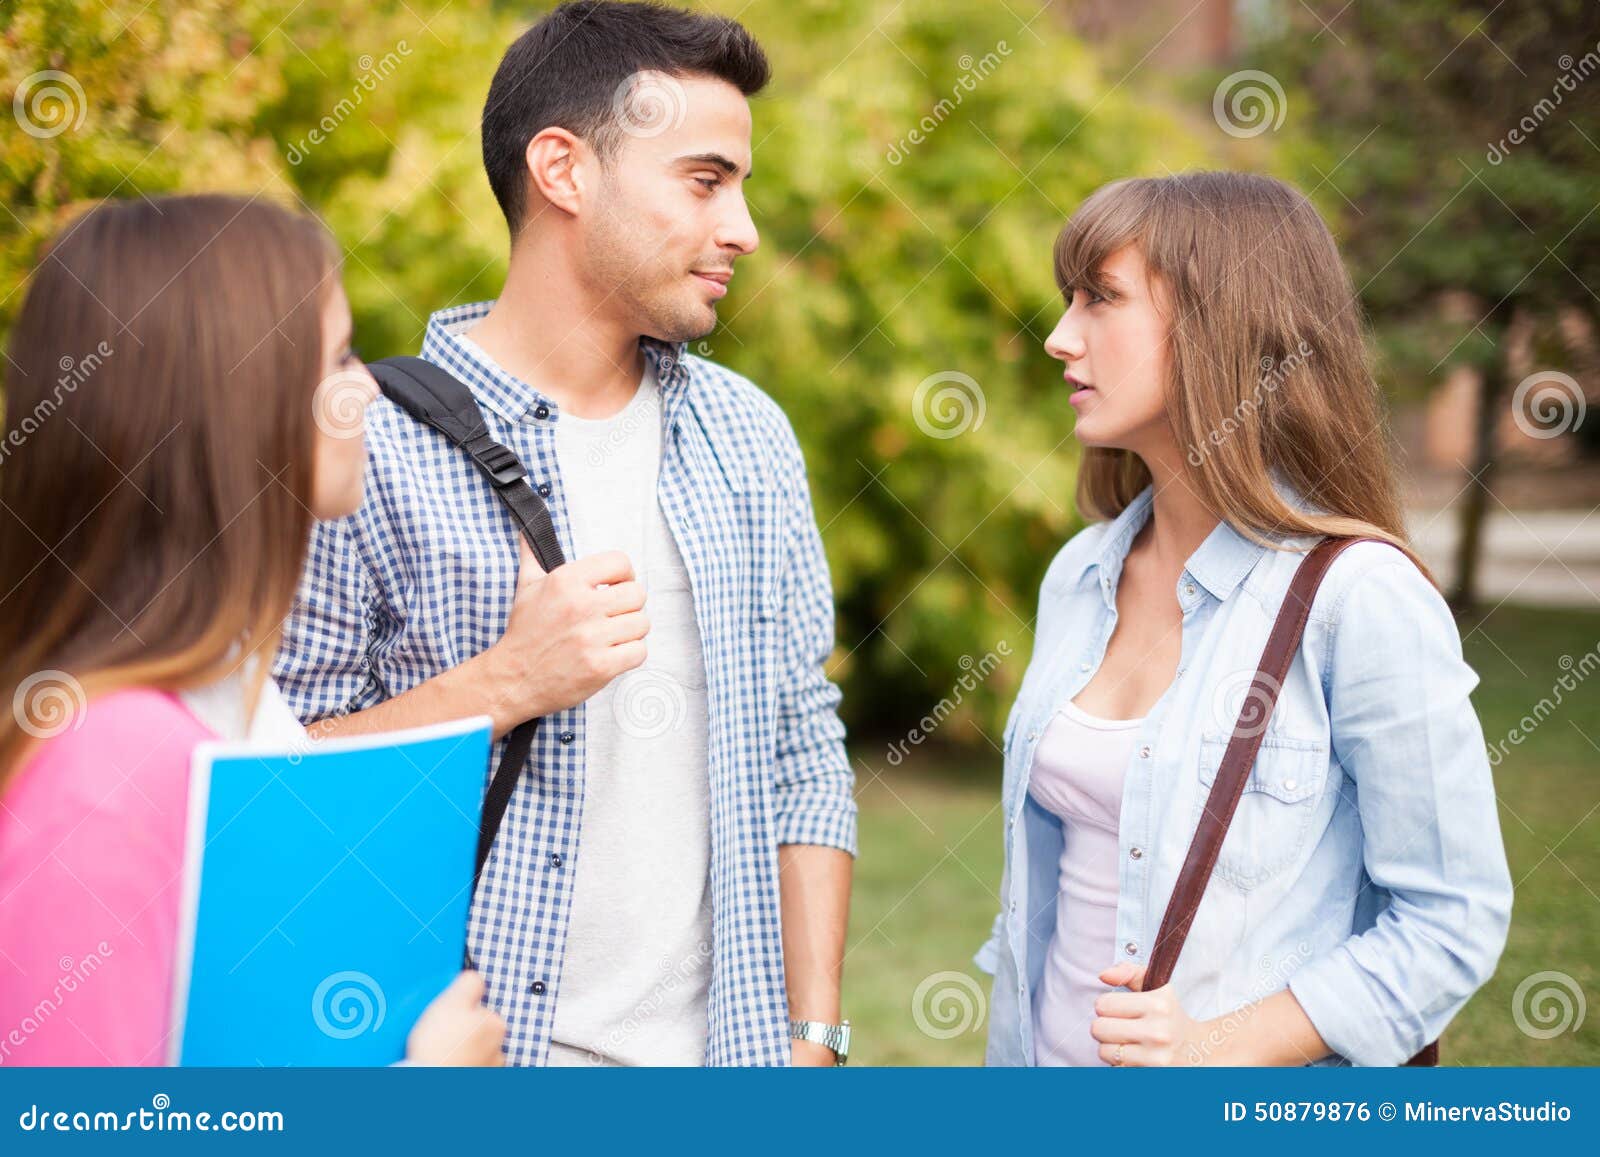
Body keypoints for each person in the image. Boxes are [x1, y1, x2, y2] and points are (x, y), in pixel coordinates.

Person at [272, 1, 856, 1067]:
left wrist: (810, 1039)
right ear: (563, 169)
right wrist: (503, 683)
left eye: (741, 184)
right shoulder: (368, 444)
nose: (744, 229)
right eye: (704, 178)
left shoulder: (748, 435)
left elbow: (803, 745)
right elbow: (273, 790)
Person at [976, 171, 1513, 1067]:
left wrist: (1217, 1043)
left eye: (1100, 299)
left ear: (1219, 325)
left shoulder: (1357, 598)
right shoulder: (1080, 574)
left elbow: (1452, 921)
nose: (1059, 336)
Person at [0, 195, 504, 1067]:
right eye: (338, 356)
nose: (368, 386)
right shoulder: (108, 758)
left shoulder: (233, 705)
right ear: (238, 408)